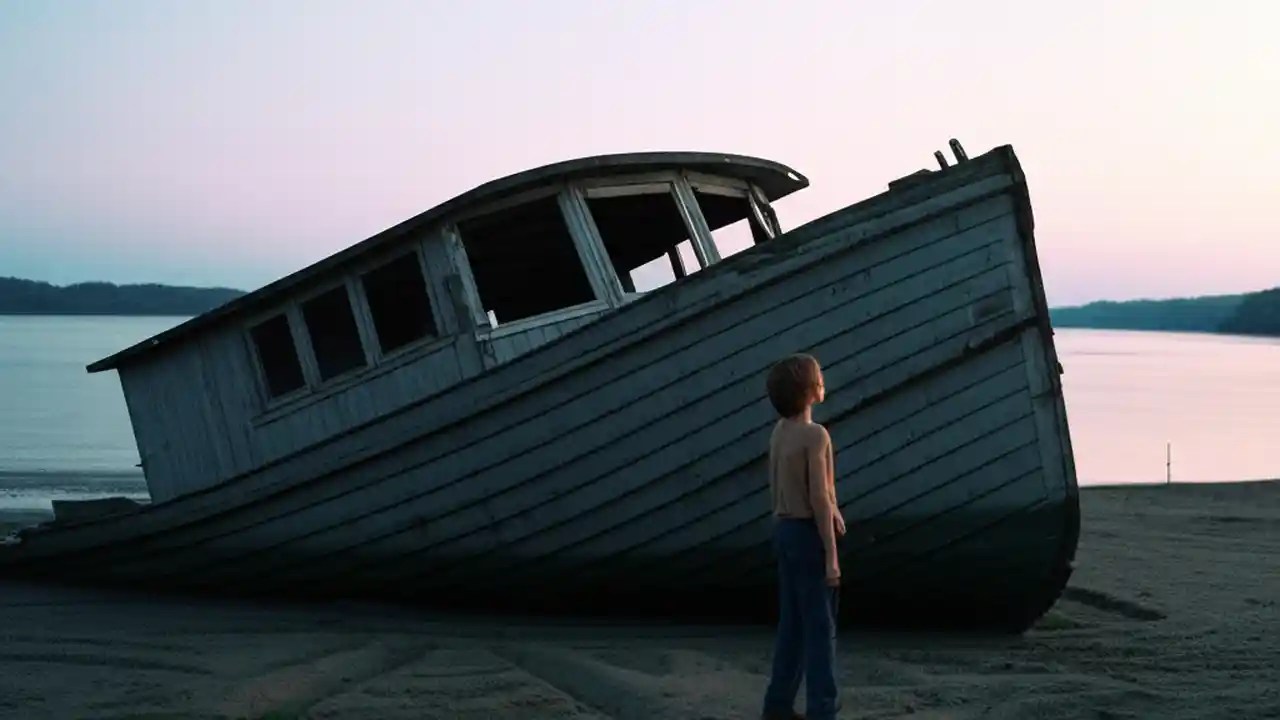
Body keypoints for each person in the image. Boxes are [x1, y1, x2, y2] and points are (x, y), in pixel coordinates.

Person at [761, 353, 845, 720]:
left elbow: (787, 484)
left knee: (792, 626)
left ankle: (777, 706)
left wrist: (832, 508)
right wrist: (831, 557)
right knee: (820, 631)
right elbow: (820, 499)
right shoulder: (816, 435)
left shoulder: (780, 431)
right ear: (810, 391)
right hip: (809, 534)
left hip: (783, 530)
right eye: (819, 376)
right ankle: (822, 711)